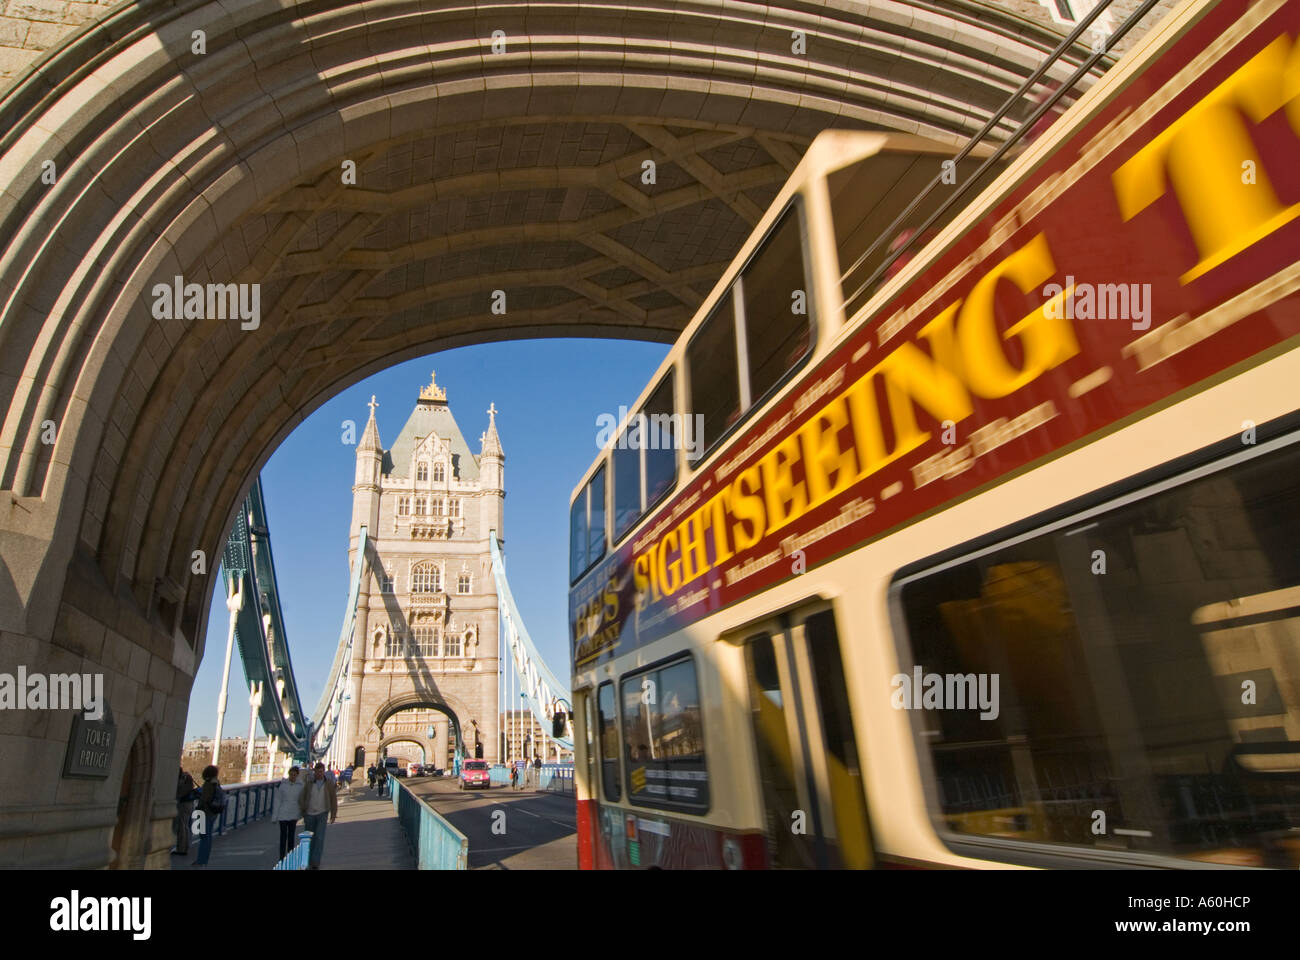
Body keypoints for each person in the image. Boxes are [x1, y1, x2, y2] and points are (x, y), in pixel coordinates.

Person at [298, 762, 338, 870]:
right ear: (314, 772)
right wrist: (303, 810)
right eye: (318, 771)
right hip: (309, 814)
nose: (320, 774)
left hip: (322, 813)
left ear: (323, 771)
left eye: (321, 771)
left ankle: (315, 862)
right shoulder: (309, 783)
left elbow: (333, 799)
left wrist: (333, 814)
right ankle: (307, 860)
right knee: (309, 839)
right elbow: (302, 797)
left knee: (319, 838)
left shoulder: (329, 784)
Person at [193, 765, 225, 868]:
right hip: (213, 813)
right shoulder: (216, 783)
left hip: (204, 813)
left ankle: (200, 860)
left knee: (203, 837)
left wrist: (199, 795)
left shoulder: (208, 784)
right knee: (208, 837)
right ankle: (204, 859)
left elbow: (204, 799)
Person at [272, 766, 304, 861]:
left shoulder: (301, 786)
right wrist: (275, 816)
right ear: (289, 774)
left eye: (294, 775)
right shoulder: (283, 785)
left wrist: (302, 812)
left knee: (291, 836)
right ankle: (281, 857)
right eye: (291, 774)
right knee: (283, 836)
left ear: (297, 775)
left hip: (294, 814)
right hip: (283, 813)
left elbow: (302, 800)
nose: (292, 777)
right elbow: (277, 800)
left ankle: (290, 857)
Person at [173, 767, 197, 855]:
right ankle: (185, 847)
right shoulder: (188, 777)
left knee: (182, 826)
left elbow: (180, 792)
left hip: (183, 804)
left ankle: (181, 849)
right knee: (185, 826)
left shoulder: (182, 779)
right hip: (189, 803)